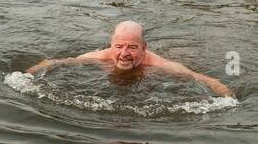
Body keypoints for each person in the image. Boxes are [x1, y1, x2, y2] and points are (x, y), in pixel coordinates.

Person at [26, 21, 233, 97]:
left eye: (132, 47)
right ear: (111, 45)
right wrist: (27, 75)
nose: (124, 53)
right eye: (119, 46)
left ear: (144, 48)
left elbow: (201, 78)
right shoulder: (101, 57)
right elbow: (57, 62)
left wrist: (225, 94)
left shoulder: (158, 64)